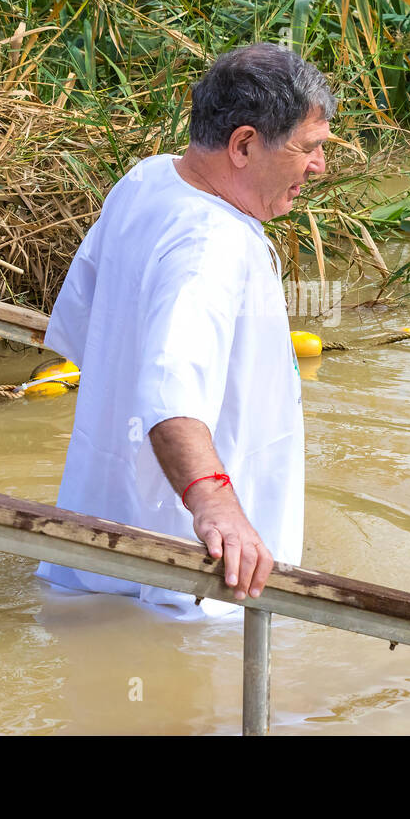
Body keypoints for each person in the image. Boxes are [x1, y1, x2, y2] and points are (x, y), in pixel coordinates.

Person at [36, 42, 335, 619]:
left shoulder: (148, 181)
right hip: (190, 584)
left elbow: (82, 329)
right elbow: (171, 391)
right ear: (244, 144)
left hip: (95, 562)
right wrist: (216, 506)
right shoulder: (211, 244)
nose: (319, 166)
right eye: (310, 148)